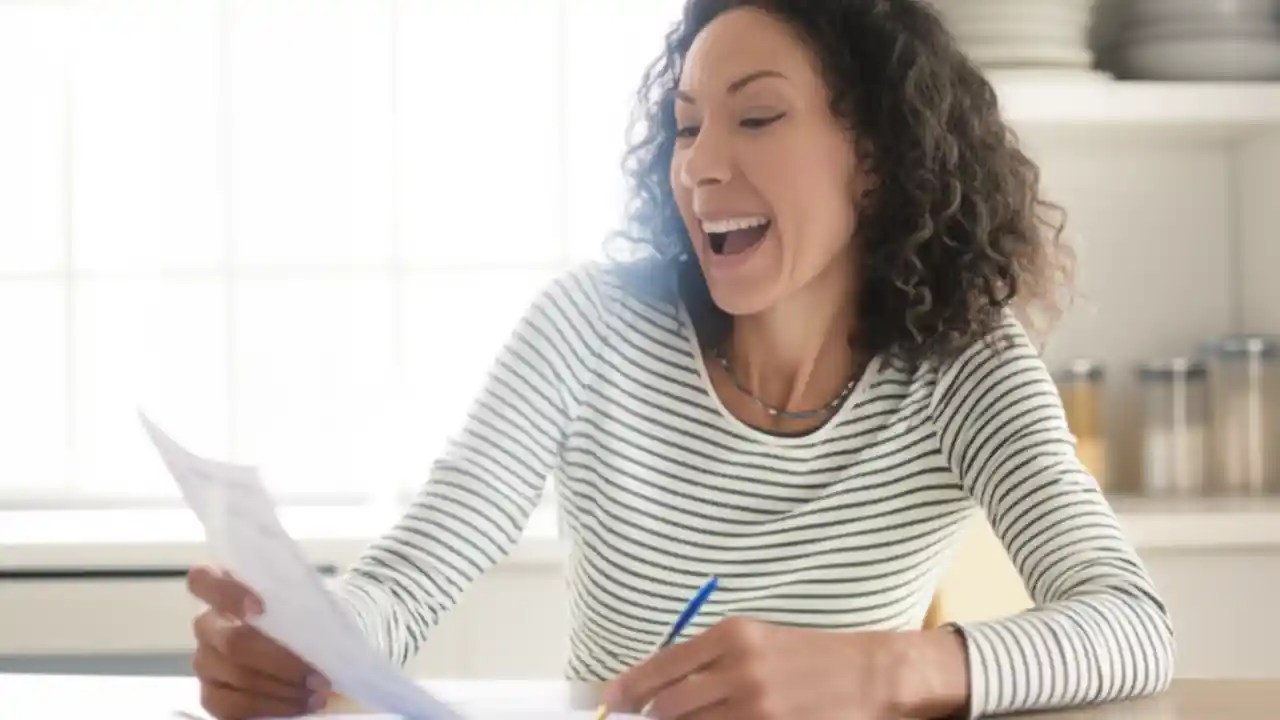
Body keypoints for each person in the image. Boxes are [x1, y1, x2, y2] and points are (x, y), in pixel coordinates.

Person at [185, 1, 1175, 718]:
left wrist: (878, 671)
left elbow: (1129, 624)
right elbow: (412, 576)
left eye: (754, 117)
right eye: (686, 124)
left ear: (874, 157)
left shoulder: (963, 369)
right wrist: (310, 648)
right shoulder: (590, 326)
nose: (699, 165)